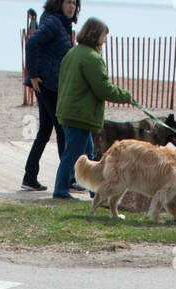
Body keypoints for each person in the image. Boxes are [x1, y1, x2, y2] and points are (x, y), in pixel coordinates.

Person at [53, 17, 134, 201]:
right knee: (72, 153)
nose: (105, 40)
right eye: (104, 36)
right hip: (80, 115)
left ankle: (95, 191)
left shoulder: (72, 53)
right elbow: (103, 88)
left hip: (69, 111)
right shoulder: (92, 59)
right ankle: (60, 191)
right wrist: (126, 96)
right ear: (95, 35)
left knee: (88, 155)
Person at [21, 0, 79, 192]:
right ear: (59, 3)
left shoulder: (61, 24)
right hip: (48, 84)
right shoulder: (53, 22)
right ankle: (68, 180)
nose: (72, 6)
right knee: (62, 130)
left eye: (75, 3)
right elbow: (32, 44)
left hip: (51, 84)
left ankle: (29, 177)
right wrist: (34, 74)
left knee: (45, 131)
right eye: (68, 2)